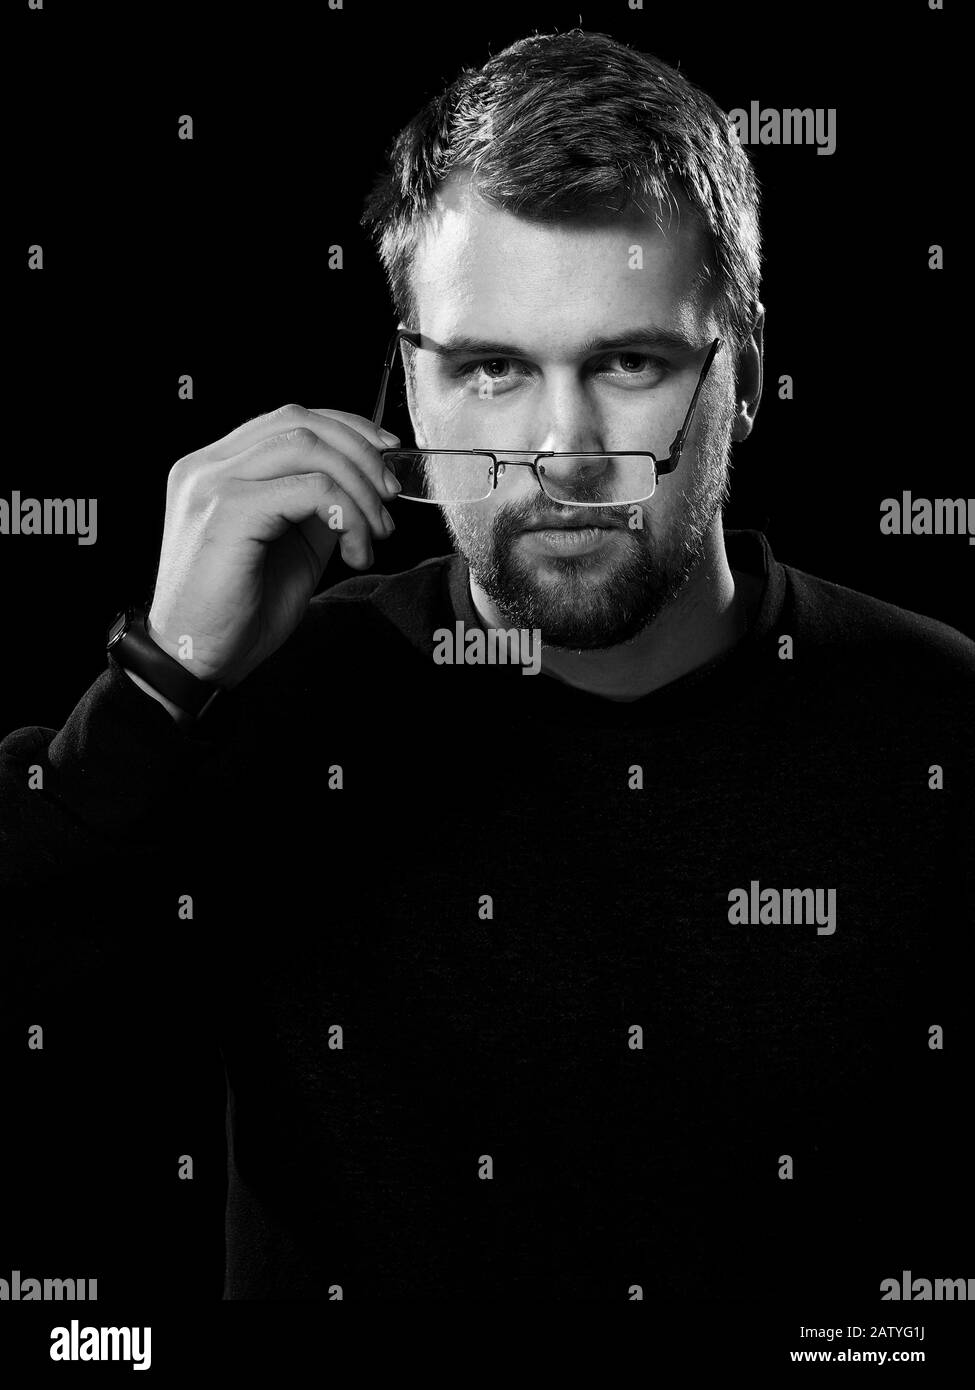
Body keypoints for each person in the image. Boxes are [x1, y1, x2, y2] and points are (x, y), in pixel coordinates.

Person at [3, 29, 972, 1302]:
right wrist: (155, 685)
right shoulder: (266, 702)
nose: (560, 451)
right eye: (492, 370)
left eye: (630, 362)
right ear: (406, 385)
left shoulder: (939, 723)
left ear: (748, 374)